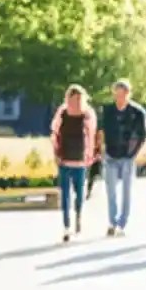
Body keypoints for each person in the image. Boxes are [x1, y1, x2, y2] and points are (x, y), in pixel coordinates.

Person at [98, 79, 146, 237]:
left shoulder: (137, 112)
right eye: (117, 94)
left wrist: (135, 152)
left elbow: (144, 134)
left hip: (128, 156)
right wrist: (101, 150)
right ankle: (112, 222)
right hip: (111, 155)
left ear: (128, 94)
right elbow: (101, 131)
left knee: (127, 191)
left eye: (123, 94)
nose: (119, 98)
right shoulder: (107, 111)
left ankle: (122, 223)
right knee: (111, 190)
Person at [51, 84, 97, 243]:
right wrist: (55, 153)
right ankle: (66, 225)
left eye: (78, 98)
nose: (75, 101)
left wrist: (91, 156)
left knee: (79, 194)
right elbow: (55, 134)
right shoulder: (62, 113)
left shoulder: (88, 114)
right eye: (72, 98)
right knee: (65, 194)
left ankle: (78, 216)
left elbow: (91, 136)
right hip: (64, 159)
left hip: (80, 160)